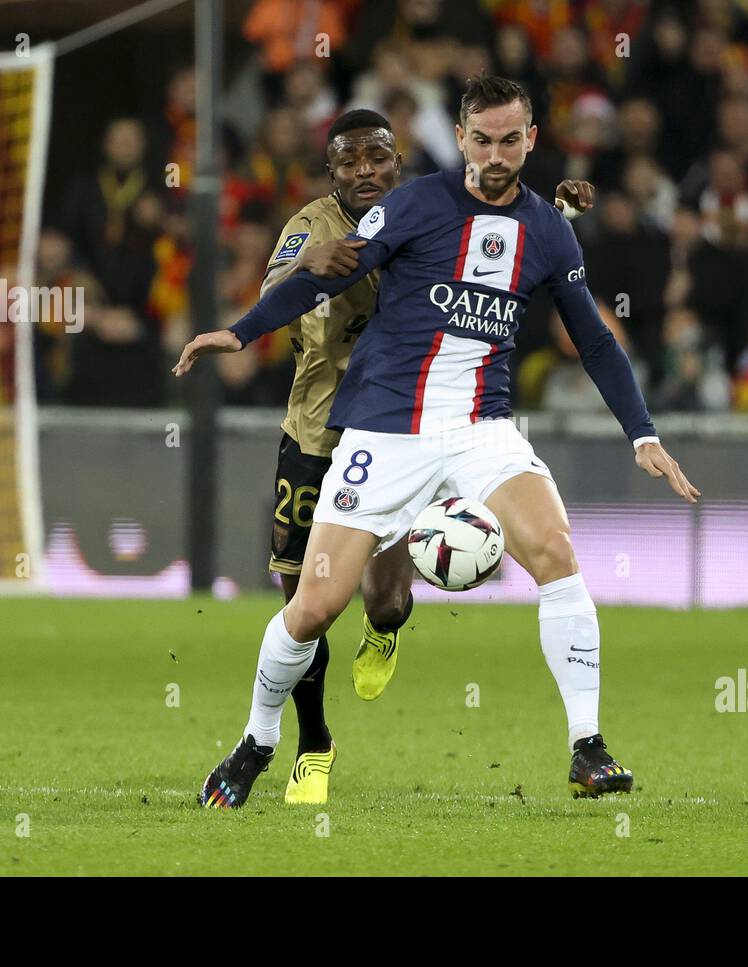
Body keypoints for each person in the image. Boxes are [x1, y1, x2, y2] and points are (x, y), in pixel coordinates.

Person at [176, 75, 695, 807]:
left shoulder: (547, 229)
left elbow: (594, 339)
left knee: (555, 550)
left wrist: (642, 432)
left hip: (482, 428)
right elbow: (331, 273)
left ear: (531, 140)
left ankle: (588, 746)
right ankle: (257, 743)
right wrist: (240, 330)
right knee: (315, 604)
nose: (494, 153)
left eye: (509, 139)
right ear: (459, 138)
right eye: (481, 139)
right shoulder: (416, 203)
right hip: (385, 430)